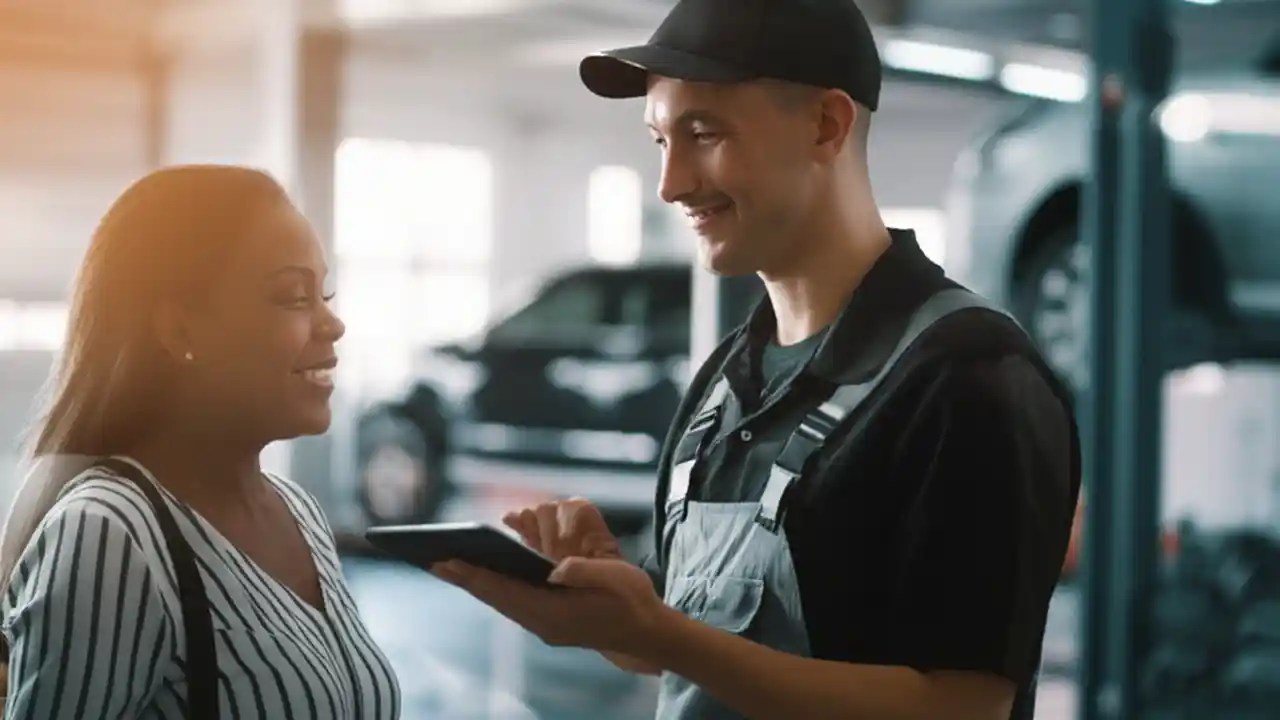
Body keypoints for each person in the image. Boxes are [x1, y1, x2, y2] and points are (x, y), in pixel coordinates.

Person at [431, 0, 1081, 719]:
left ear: (826, 125)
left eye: (703, 133)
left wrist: (663, 633)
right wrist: (617, 603)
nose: (671, 184)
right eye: (659, 141)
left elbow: (960, 708)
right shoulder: (724, 383)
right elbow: (680, 645)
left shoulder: (966, 377)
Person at [0, 166, 401, 718]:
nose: (333, 324)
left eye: (324, 293)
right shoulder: (109, 534)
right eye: (293, 296)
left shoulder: (298, 510)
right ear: (180, 331)